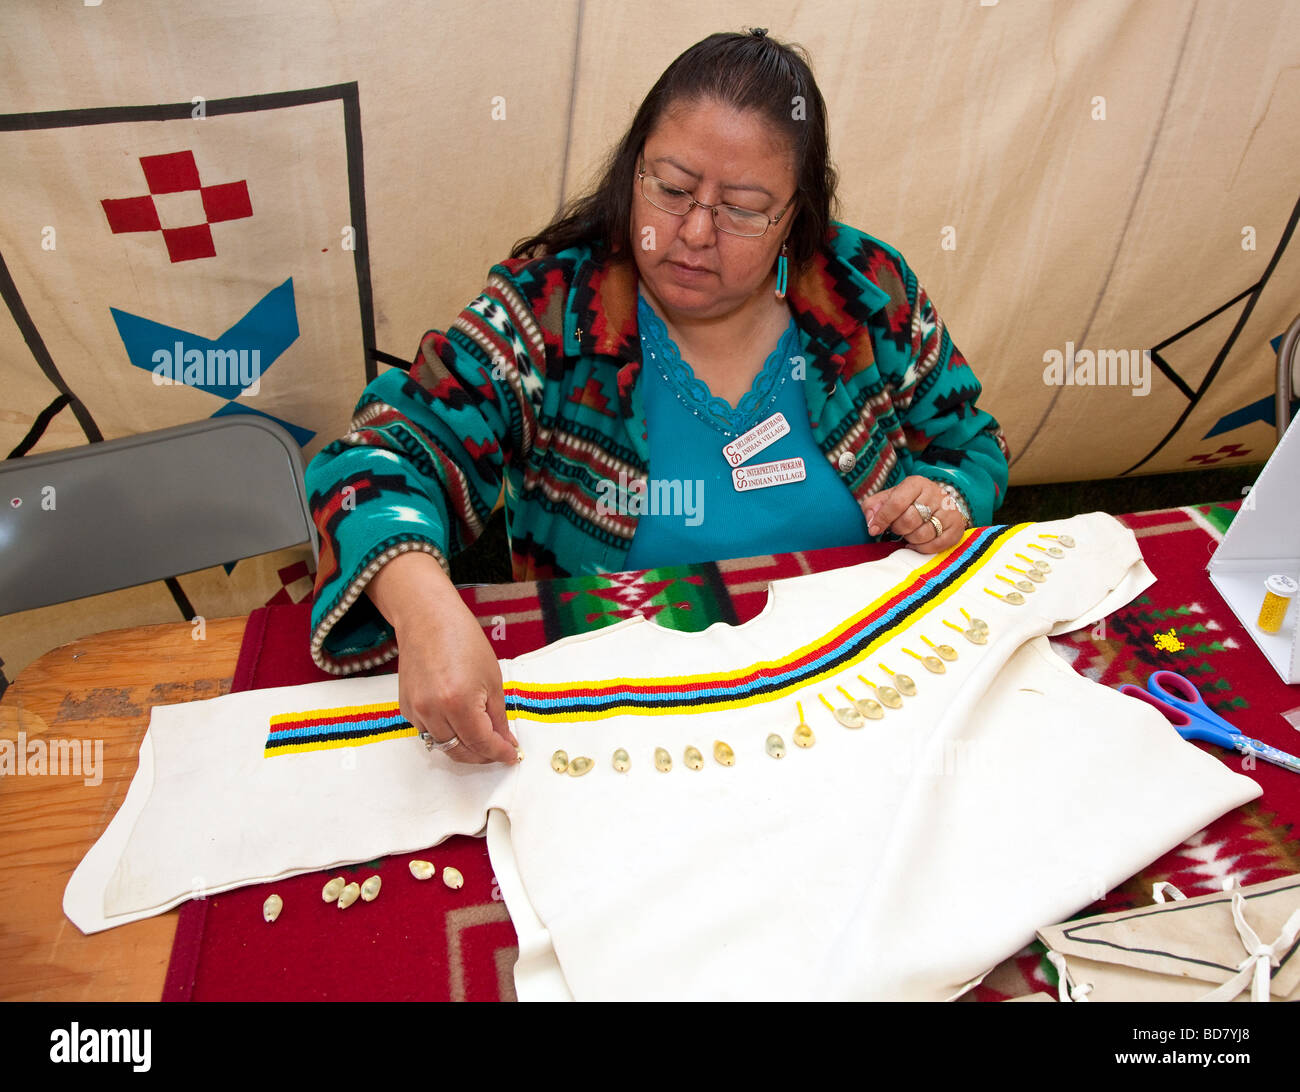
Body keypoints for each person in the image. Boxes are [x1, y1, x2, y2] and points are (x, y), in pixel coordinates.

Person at [305, 28, 1010, 768]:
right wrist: (424, 612)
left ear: (797, 216)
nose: (695, 232)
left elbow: (973, 447)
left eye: (743, 208)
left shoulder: (866, 292)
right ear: (631, 172)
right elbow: (376, 461)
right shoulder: (550, 312)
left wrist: (951, 497)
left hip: (865, 705)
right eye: (671, 189)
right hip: (627, 728)